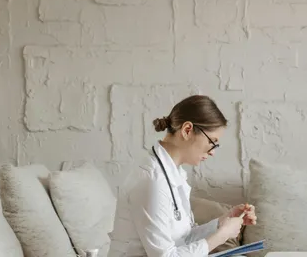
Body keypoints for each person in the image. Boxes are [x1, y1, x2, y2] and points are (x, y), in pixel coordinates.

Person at [109, 95, 257, 257]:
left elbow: (182, 240)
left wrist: (221, 222)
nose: (212, 152)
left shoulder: (173, 173)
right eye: (212, 142)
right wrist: (221, 236)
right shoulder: (152, 180)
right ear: (187, 130)